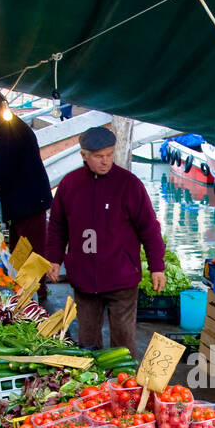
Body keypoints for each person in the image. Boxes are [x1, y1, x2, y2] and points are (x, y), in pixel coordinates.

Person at [45, 126, 166, 357]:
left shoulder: (129, 184)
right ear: (84, 156)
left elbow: (149, 228)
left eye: (110, 155)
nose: (106, 161)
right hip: (83, 279)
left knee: (123, 345)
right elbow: (57, 226)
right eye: (99, 156)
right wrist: (54, 259)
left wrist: (156, 266)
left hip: (121, 277)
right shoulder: (70, 185)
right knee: (87, 343)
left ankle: (126, 387)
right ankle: (93, 388)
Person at [0, 93, 52, 290]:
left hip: (29, 201)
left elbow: (1, 167)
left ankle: (36, 290)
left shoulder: (10, 131)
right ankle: (22, 286)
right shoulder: (8, 128)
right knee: (20, 246)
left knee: (32, 247)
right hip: (22, 201)